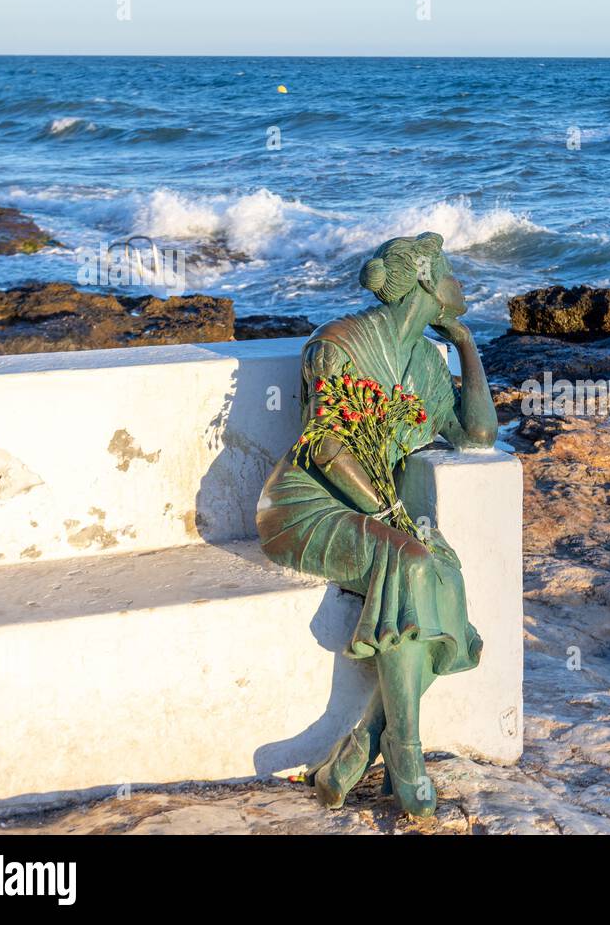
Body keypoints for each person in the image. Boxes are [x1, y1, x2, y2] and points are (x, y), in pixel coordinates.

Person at [256, 231, 498, 817]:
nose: (457, 282)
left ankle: (366, 742)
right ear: (421, 279)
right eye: (446, 268)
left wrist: (465, 344)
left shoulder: (423, 360)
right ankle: (405, 751)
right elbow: (324, 448)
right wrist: (390, 514)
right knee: (414, 562)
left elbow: (477, 434)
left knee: (443, 570)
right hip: (307, 505)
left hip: (376, 506)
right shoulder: (336, 343)